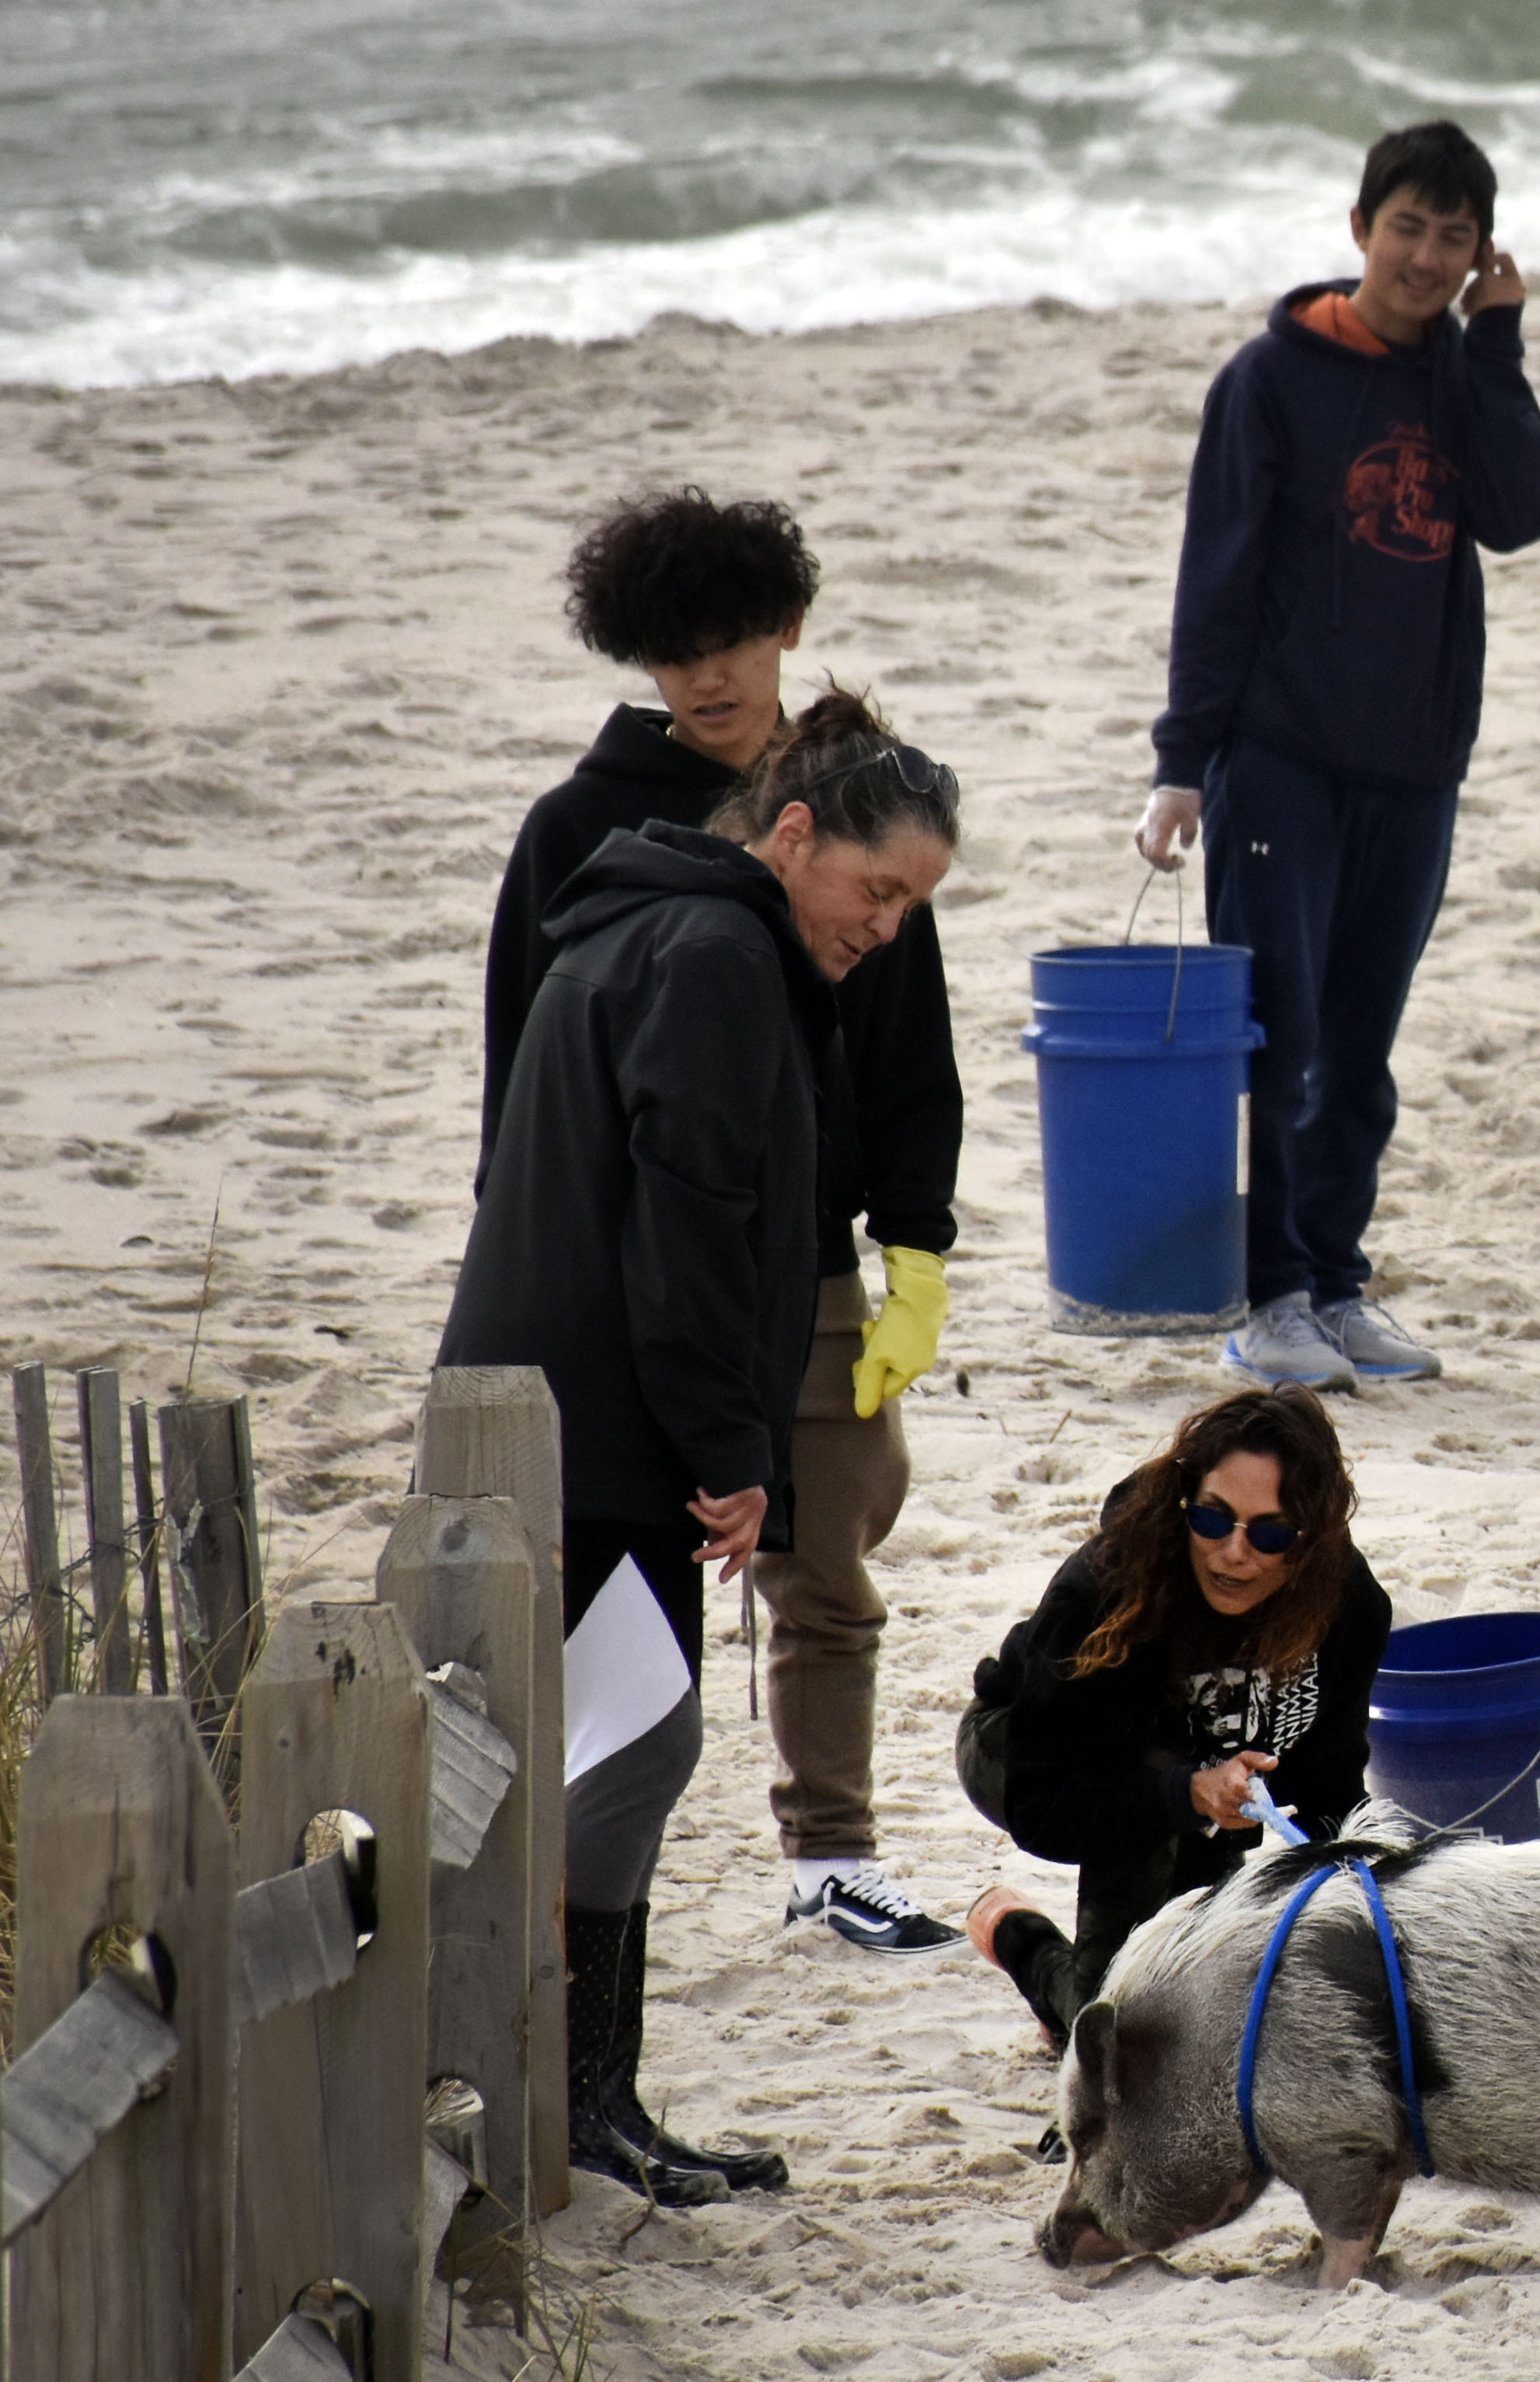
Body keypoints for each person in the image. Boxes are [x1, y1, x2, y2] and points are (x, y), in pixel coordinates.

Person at [439, 689, 961, 2201]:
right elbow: (691, 1228)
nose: (887, 925)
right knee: (630, 1743)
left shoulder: (662, 921)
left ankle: (599, 2096)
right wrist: (735, 1452)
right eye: (877, 889)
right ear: (793, 834)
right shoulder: (720, 957)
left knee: (614, 1743)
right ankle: (578, 2095)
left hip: (550, 1407)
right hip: (595, 1429)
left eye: (915, 902)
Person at [486, 488, 971, 1957]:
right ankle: (570, 1895)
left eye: (734, 641)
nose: (706, 675)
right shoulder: (577, 824)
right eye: (670, 647)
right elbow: (527, 1083)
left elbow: (910, 1050)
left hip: (809, 1265)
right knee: (615, 1592)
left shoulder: (870, 821)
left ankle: (832, 1850)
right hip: (635, 1264)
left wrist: (918, 1251)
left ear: (788, 631)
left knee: (829, 1558)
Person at [1131, 120, 1540, 1390]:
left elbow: (1523, 511)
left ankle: (1331, 1279)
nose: (1427, 255)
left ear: (1483, 251)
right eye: (1408, 226)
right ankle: (1267, 1296)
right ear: (1360, 226)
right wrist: (1180, 762)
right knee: (1285, 1039)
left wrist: (1499, 340)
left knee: (1361, 1046)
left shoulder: (1462, 368)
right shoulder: (1267, 380)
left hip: (1415, 766)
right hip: (1278, 759)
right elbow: (1215, 581)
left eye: (1455, 235)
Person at [959, 1386, 1392, 2042]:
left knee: (1201, 1994)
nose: (1234, 1552)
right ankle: (1029, 1950)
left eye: (1270, 1533)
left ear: (1310, 1543)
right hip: (1027, 1750)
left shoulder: (1348, 1605)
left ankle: (1038, 1952)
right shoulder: (1105, 1591)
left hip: (1207, 1784)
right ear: (1185, 1504)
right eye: (1214, 1520)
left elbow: (1327, 1780)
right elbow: (1045, 1804)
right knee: (1130, 2026)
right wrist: (1187, 1793)